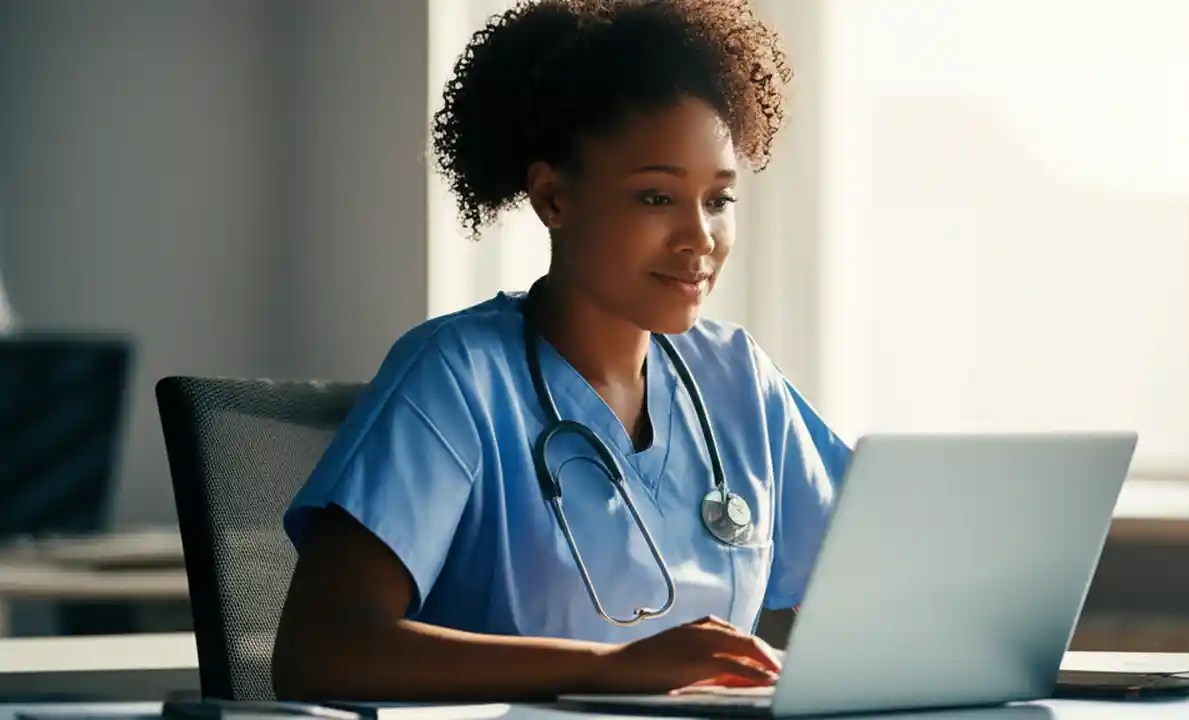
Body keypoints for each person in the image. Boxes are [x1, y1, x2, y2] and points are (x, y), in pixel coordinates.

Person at [272, 0, 850, 702]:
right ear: (552, 196)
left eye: (719, 200)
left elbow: (867, 591)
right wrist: (608, 671)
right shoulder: (456, 376)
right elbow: (322, 649)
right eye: (656, 198)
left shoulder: (739, 380)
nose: (699, 238)